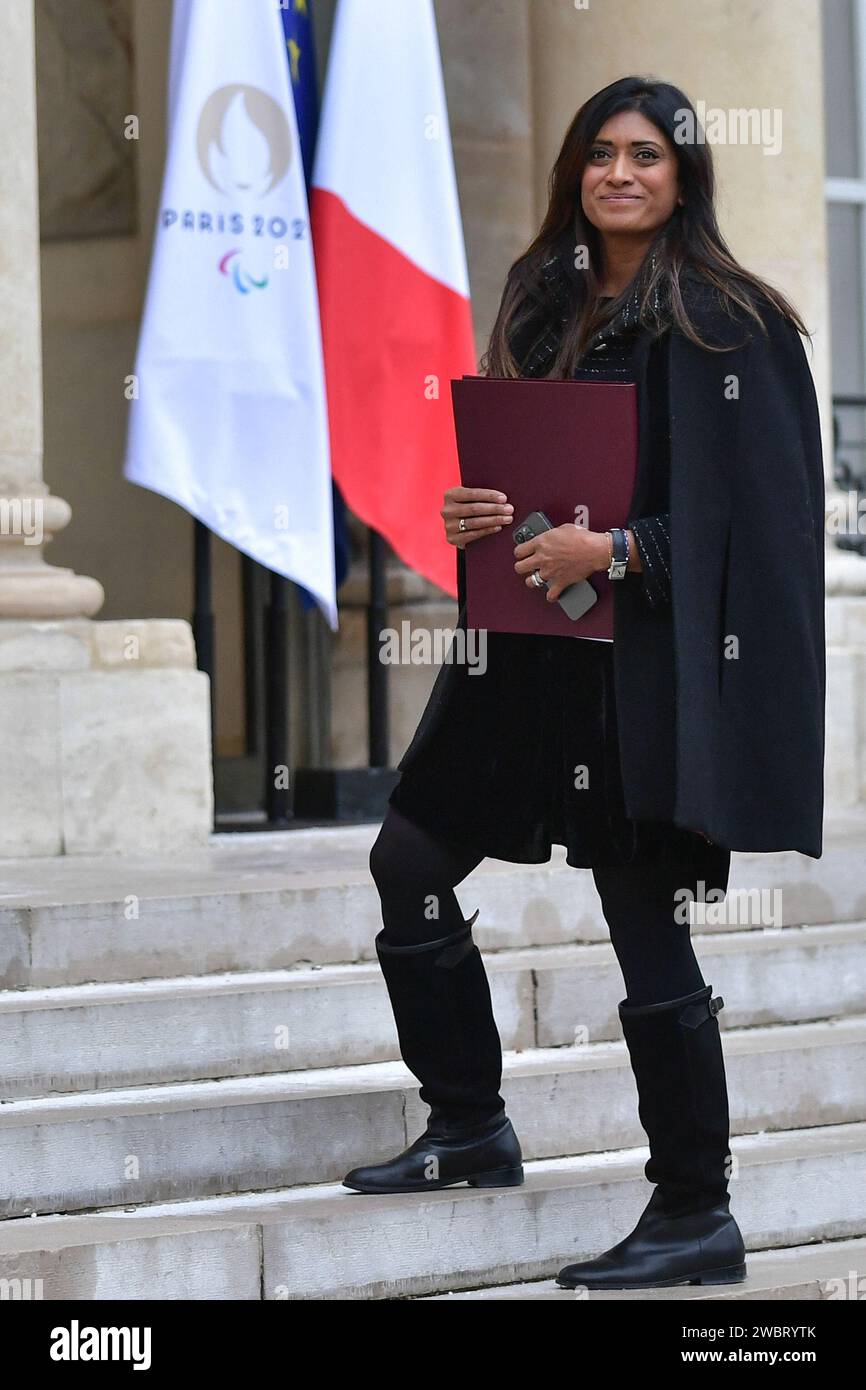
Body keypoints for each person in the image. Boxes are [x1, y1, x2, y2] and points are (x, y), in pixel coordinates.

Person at [342, 75, 826, 1292]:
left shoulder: (730, 323)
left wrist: (614, 552)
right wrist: (477, 515)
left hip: (645, 679)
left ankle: (695, 1209)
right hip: (527, 654)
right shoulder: (543, 298)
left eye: (646, 156)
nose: (619, 173)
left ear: (682, 176)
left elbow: (756, 526)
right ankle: (467, 1125)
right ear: (575, 170)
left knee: (643, 929)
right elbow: (524, 473)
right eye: (600, 153)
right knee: (405, 858)